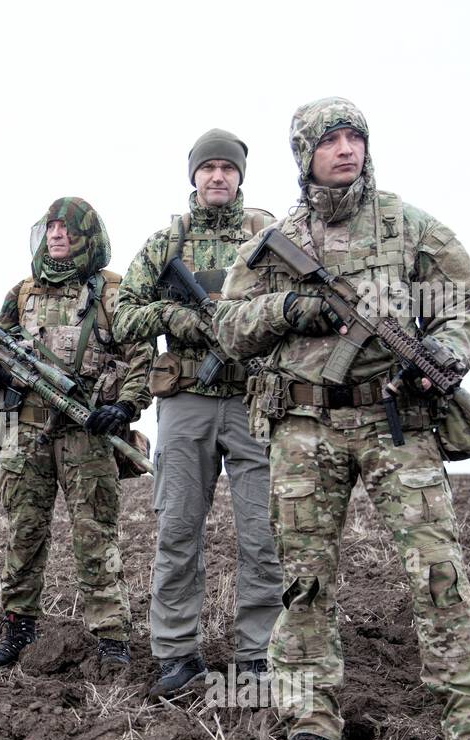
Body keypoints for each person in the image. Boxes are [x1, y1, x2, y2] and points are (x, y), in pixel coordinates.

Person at [217, 97, 470, 740]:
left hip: (394, 422)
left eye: (356, 138)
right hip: (303, 428)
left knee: (437, 573)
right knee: (305, 582)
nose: (347, 149)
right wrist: (292, 307)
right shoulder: (274, 241)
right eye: (331, 140)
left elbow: (459, 303)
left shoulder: (411, 226)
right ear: (305, 154)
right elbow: (229, 328)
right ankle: (309, 723)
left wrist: (449, 357)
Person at [115, 130, 283, 700]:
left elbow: (295, 303)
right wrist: (182, 320)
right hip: (186, 402)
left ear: (240, 177)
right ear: (194, 176)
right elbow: (123, 313)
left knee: (263, 532)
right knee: (178, 529)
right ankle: (176, 653)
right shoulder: (169, 241)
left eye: (227, 169)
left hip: (253, 400)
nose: (217, 177)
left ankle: (258, 654)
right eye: (207, 167)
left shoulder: (268, 238)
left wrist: (248, 320)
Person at [0, 197, 151, 674]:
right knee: (24, 531)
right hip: (26, 429)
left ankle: (111, 633)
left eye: (67, 229)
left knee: (96, 533)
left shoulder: (114, 293)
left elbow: (141, 357)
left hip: (86, 430)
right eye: (50, 227)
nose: (56, 235)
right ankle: (18, 626)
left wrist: (124, 406)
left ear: (87, 236)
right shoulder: (23, 291)